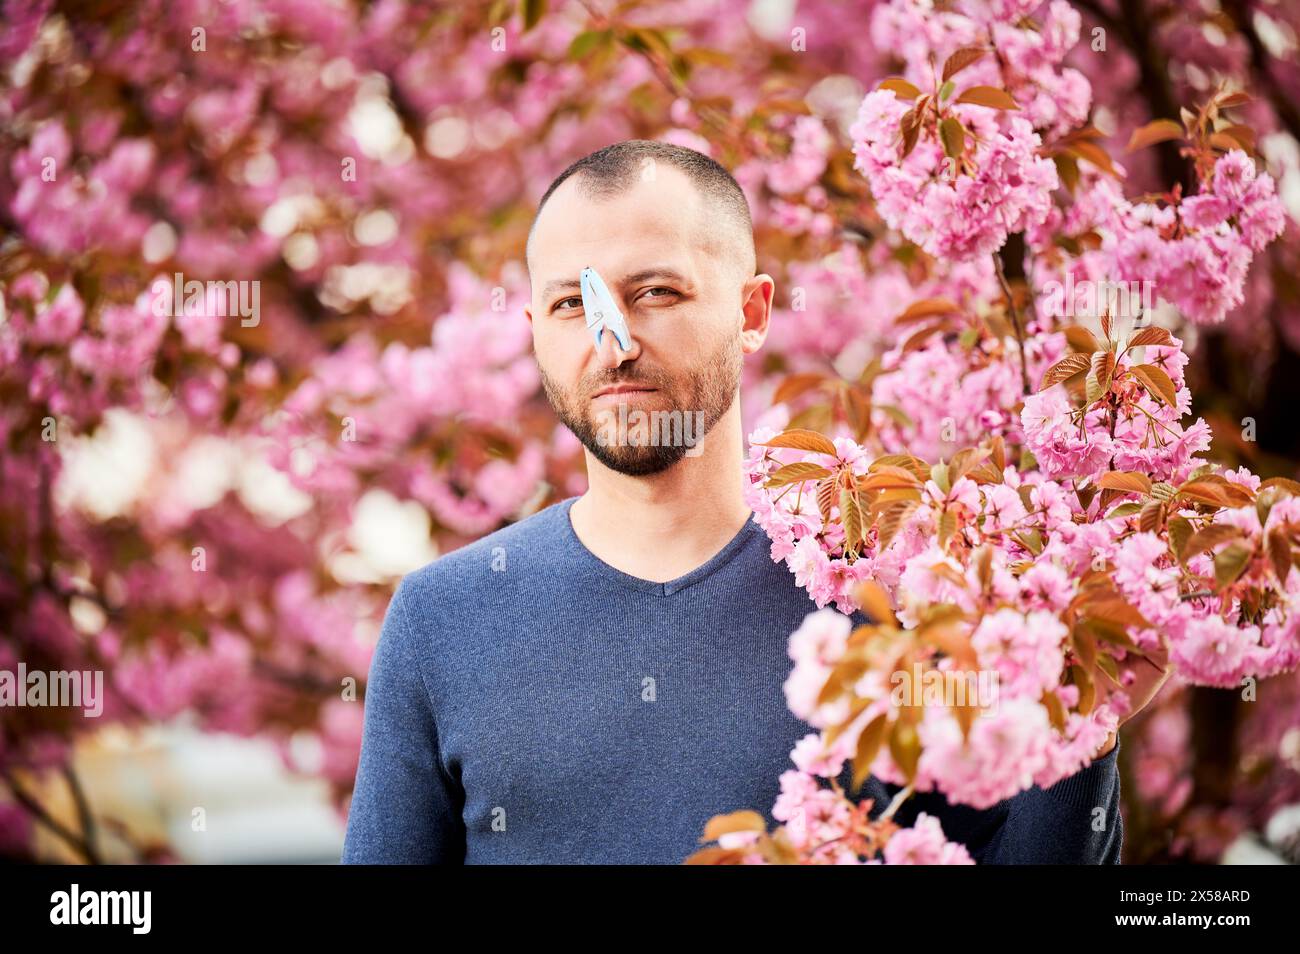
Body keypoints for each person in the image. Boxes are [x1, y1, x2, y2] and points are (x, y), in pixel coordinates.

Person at [341, 139, 1142, 864]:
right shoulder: (442, 622)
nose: (612, 340)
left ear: (752, 312)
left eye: (655, 292)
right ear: (535, 331)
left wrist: (1082, 725)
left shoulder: (906, 594)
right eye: (571, 305)